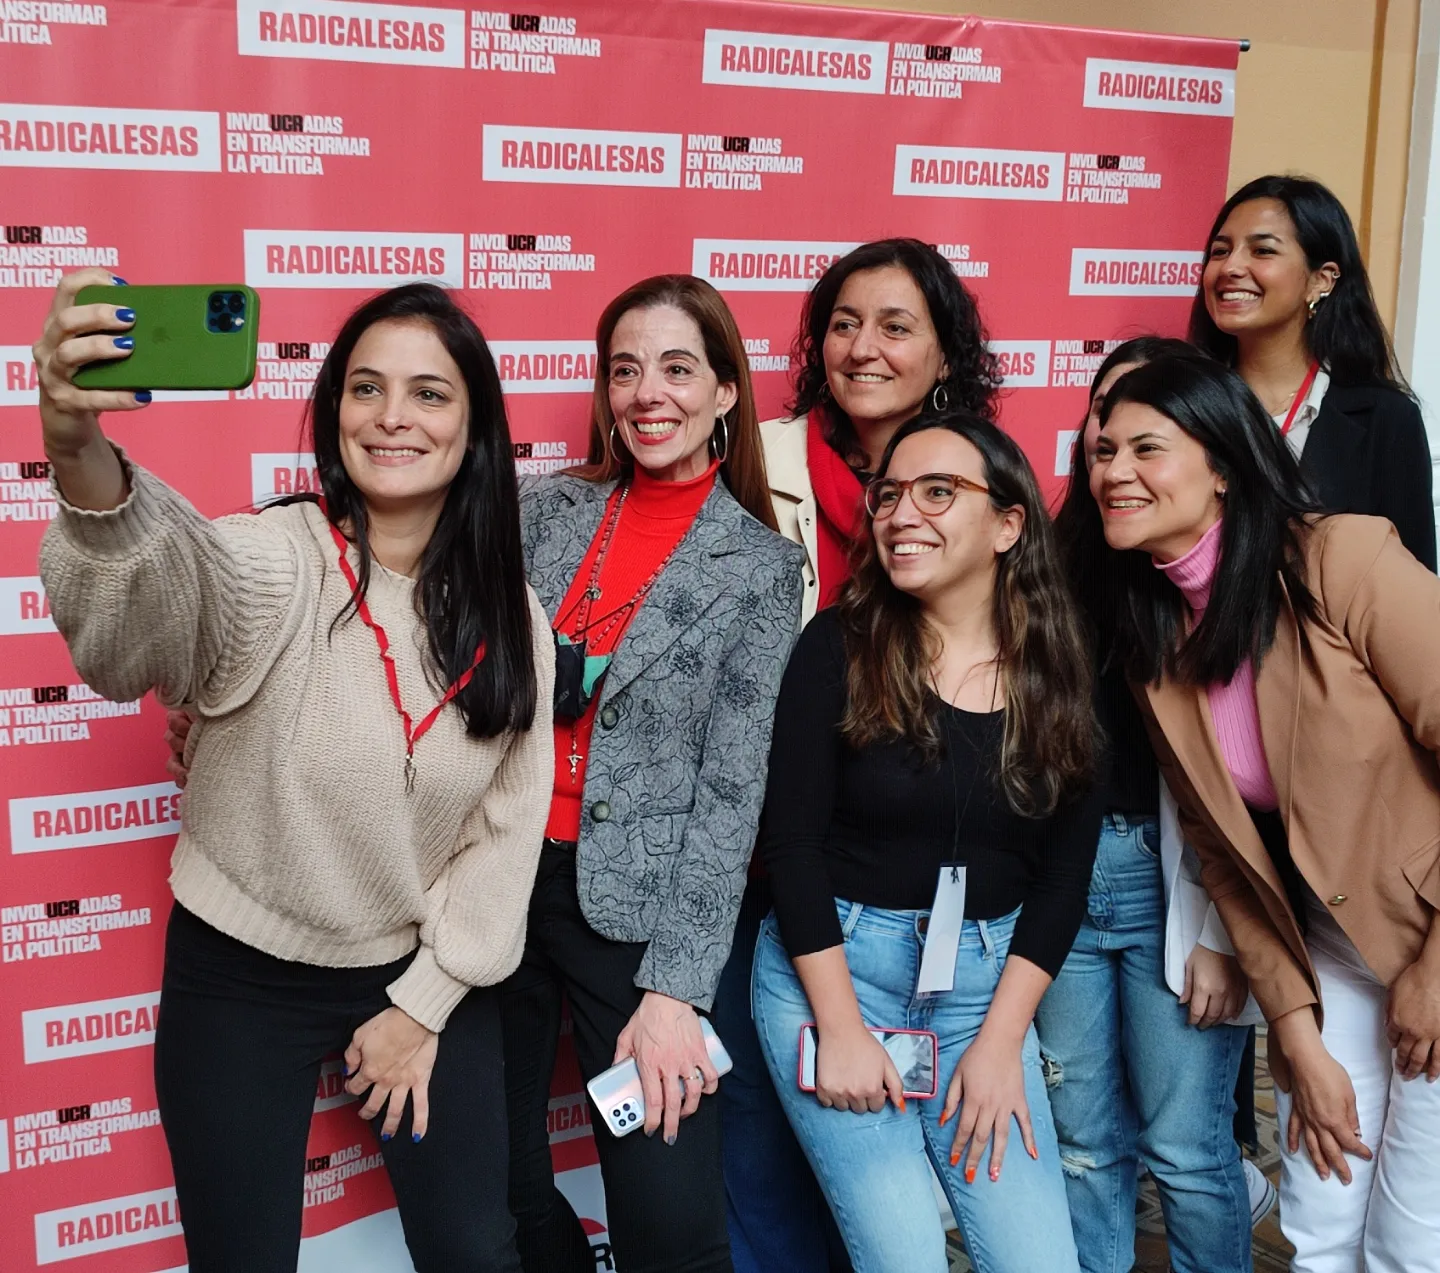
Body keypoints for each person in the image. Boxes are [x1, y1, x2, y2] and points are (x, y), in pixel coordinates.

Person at [35, 272, 553, 1272]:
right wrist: (78, 451)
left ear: (475, 428)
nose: (392, 415)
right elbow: (165, 593)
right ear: (333, 412)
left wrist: (423, 1003)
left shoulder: (509, 615)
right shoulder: (277, 559)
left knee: (476, 1249)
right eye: (365, 388)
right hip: (240, 974)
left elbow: (506, 829)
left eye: (429, 392)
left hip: (413, 966)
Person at [1088, 353, 1440, 1273]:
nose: (1114, 470)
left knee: (1413, 1237)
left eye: (1146, 448)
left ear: (1222, 463)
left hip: (1429, 929)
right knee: (1317, 1227)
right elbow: (1219, 847)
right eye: (1102, 450)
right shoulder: (1156, 635)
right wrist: (1291, 1024)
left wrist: (1439, 965)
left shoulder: (1342, 557)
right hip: (1328, 948)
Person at [752, 409, 1103, 1272]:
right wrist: (839, 1030)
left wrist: (997, 1047)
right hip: (836, 976)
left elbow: (1062, 879)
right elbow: (790, 849)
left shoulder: (1063, 668)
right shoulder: (834, 646)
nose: (904, 513)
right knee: (905, 1252)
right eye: (890, 495)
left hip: (987, 995)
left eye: (939, 492)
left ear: (1009, 523)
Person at [502, 274, 804, 1273]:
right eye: (625, 369)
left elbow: (731, 791)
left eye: (677, 368)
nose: (647, 393)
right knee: (491, 1191)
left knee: (670, 1226)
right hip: (495, 885)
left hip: (637, 922)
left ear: (725, 391)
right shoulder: (542, 511)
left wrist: (676, 989)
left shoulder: (759, 566)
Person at [712, 238, 1002, 1273]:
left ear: (944, 352)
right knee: (758, 1124)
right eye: (842, 323)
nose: (863, 347)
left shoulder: (984, 486)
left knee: (884, 1174)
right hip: (762, 856)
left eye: (894, 325)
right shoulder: (759, 459)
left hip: (916, 882)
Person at [1038, 337, 1265, 1273]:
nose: (1118, 456)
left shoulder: (1224, 580)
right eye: (1104, 430)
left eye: (1147, 435)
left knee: (1188, 1153)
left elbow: (1242, 791)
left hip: (1171, 884)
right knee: (1085, 1148)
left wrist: (1221, 929)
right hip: (1058, 880)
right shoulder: (1057, 561)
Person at [1190, 174, 1435, 569]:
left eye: (1262, 251)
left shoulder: (1385, 419)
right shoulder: (1177, 403)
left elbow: (1414, 589)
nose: (1231, 266)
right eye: (1220, 251)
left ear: (1322, 280)